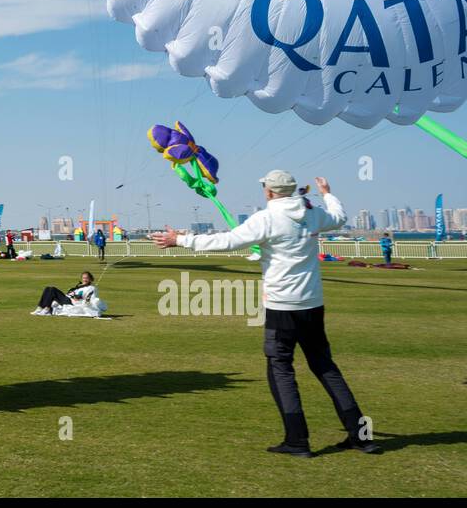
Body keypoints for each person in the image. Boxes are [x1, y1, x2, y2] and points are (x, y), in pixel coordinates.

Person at [153, 171, 380, 457]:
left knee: (280, 370)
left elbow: (228, 241)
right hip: (312, 305)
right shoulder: (313, 213)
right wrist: (327, 193)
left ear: (270, 192)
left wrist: (181, 240)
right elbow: (338, 215)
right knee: (325, 367)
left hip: (282, 307)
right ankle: (361, 437)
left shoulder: (266, 218)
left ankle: (297, 441)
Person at [32, 271, 98, 315]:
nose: (84, 280)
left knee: (53, 290)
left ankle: (47, 309)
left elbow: (88, 299)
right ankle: (40, 307)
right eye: (83, 278)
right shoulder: (80, 286)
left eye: (86, 278)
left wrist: (78, 298)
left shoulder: (91, 288)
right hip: (68, 298)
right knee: (48, 288)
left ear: (90, 279)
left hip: (72, 303)